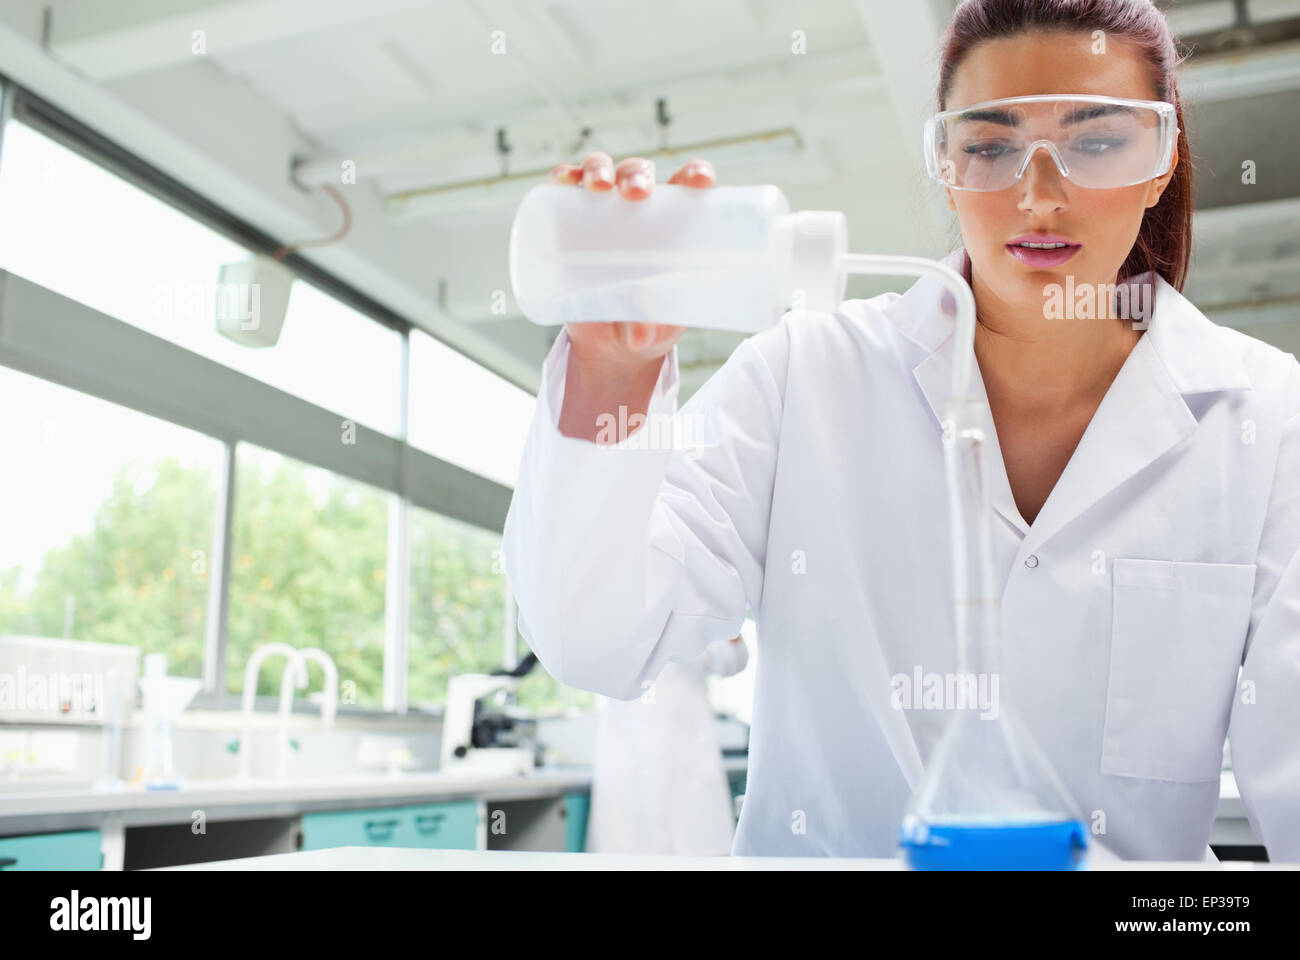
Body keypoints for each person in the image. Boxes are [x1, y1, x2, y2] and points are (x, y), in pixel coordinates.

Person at [503, 0, 1300, 860]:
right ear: (947, 166)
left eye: (1098, 142)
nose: (1038, 194)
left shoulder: (1264, 418)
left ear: (1162, 160)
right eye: (990, 147)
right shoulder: (803, 376)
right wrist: (610, 369)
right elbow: (598, 642)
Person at [587, 635, 748, 855]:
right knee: (629, 854)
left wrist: (729, 625)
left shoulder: (694, 615)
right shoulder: (609, 622)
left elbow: (732, 661)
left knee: (699, 855)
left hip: (690, 754)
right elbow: (588, 664)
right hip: (628, 757)